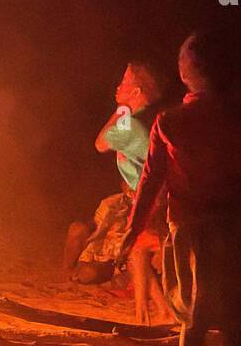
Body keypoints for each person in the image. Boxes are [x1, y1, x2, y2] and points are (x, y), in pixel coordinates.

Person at [119, 32, 241, 346]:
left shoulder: (170, 121)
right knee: (233, 321)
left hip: (190, 232)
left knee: (193, 318)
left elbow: (151, 182)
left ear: (183, 73)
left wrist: (131, 231)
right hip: (232, 230)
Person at [66, 61, 171, 322]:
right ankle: (162, 311)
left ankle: (143, 314)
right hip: (151, 195)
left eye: (125, 83)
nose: (118, 86)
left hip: (151, 198)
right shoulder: (142, 118)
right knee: (137, 253)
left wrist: (120, 108)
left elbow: (100, 143)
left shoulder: (131, 124)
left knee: (137, 250)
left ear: (137, 92)